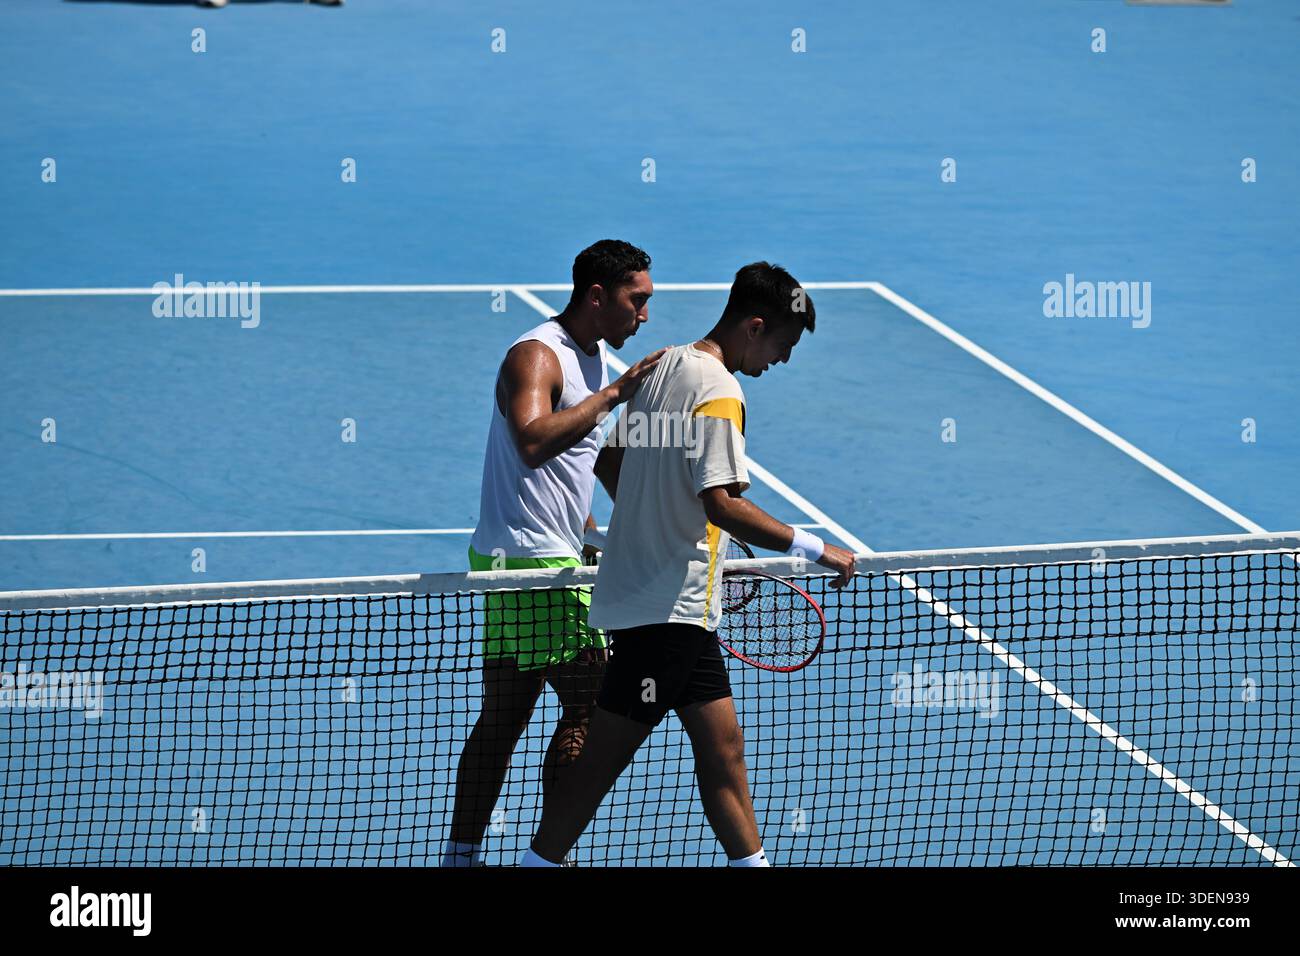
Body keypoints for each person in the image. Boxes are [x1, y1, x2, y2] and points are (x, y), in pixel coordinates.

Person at [522, 262, 856, 867]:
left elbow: (610, 461)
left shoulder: (663, 367)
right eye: (782, 345)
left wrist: (654, 519)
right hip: (666, 617)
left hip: (672, 613)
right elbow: (722, 504)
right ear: (755, 327)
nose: (781, 361)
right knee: (596, 770)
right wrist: (813, 548)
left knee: (723, 754)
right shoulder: (722, 393)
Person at [442, 240, 666, 867]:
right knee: (589, 706)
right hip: (536, 567)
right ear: (598, 295)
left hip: (525, 562)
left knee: (503, 720)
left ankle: (461, 856)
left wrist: (612, 540)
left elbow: (586, 475)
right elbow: (534, 440)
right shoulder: (537, 355)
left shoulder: (597, 366)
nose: (643, 315)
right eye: (636, 299)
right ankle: (548, 858)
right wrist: (617, 395)